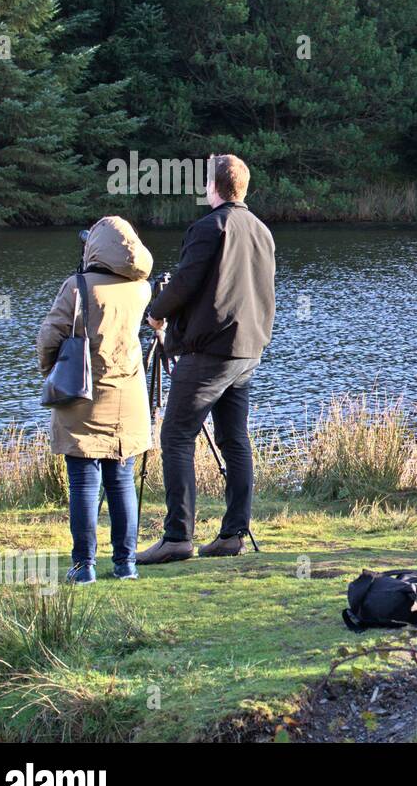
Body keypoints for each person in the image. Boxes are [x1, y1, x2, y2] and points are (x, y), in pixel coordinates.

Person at [136, 154, 276, 564]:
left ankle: (178, 536)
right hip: (249, 349)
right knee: (235, 439)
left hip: (211, 351)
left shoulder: (209, 226)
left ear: (214, 187)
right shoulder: (262, 231)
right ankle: (233, 533)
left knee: (176, 436)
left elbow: (185, 281)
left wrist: (158, 312)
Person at [37, 217, 154, 583]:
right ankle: (126, 565)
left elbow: (48, 337)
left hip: (83, 397)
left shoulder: (77, 287)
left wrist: (49, 370)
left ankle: (84, 566)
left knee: (84, 486)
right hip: (128, 400)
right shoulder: (142, 289)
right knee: (121, 484)